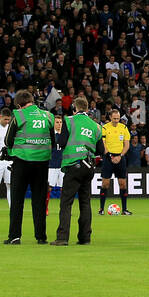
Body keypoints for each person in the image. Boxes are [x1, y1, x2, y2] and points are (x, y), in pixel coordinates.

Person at [3, 90, 55, 244]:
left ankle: (15, 236)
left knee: (17, 200)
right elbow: (53, 139)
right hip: (42, 163)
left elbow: (8, 140)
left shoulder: (19, 115)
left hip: (22, 161)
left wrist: (13, 150)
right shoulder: (48, 116)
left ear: (19, 104)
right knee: (39, 201)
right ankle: (41, 237)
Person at [54, 97, 101, 246]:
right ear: (87, 109)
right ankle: (85, 238)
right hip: (89, 167)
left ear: (75, 108)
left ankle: (62, 238)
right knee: (85, 203)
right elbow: (101, 150)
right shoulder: (95, 126)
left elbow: (61, 142)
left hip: (74, 166)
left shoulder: (69, 121)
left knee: (66, 203)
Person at [99, 108, 132, 216]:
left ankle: (125, 209)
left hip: (120, 157)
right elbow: (103, 144)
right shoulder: (104, 128)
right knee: (105, 183)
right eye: (114, 118)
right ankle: (101, 209)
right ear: (110, 117)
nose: (116, 120)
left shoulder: (124, 128)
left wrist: (120, 155)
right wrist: (110, 156)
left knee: (122, 184)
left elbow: (126, 144)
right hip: (108, 158)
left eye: (118, 118)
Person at [46, 113, 68, 217]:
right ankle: (45, 208)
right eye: (57, 122)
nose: (59, 124)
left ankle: (64, 209)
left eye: (60, 122)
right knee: (48, 188)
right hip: (52, 165)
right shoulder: (51, 135)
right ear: (53, 123)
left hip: (62, 165)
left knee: (64, 188)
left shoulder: (65, 135)